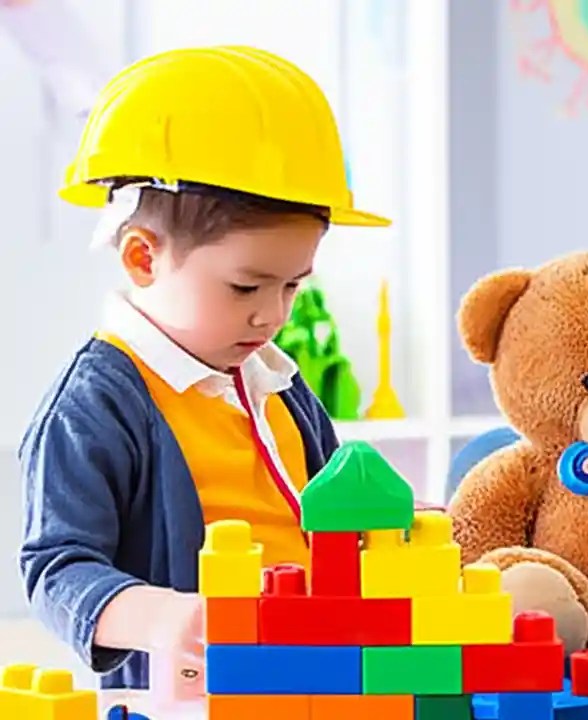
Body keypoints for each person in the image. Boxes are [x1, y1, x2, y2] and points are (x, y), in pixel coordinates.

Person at [17, 45, 390, 696]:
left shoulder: (278, 381)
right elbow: (55, 568)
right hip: (195, 690)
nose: (272, 315)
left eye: (292, 288)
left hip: (319, 674)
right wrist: (165, 618)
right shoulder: (96, 404)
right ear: (142, 258)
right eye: (246, 288)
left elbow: (331, 510)